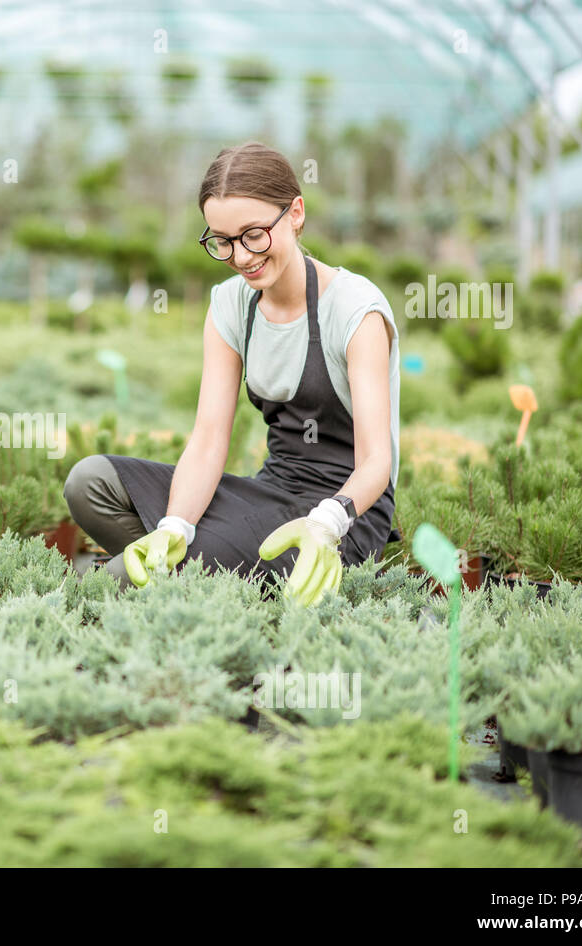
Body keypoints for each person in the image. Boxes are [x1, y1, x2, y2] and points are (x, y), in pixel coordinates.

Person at [64, 141, 400, 605]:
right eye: (222, 241)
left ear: (296, 213)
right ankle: (203, 585)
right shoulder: (230, 304)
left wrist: (327, 522)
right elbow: (208, 439)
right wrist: (175, 525)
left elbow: (376, 461)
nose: (240, 256)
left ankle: (191, 594)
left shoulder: (355, 309)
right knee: (90, 483)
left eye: (254, 234)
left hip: (346, 517)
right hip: (271, 491)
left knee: (126, 574)